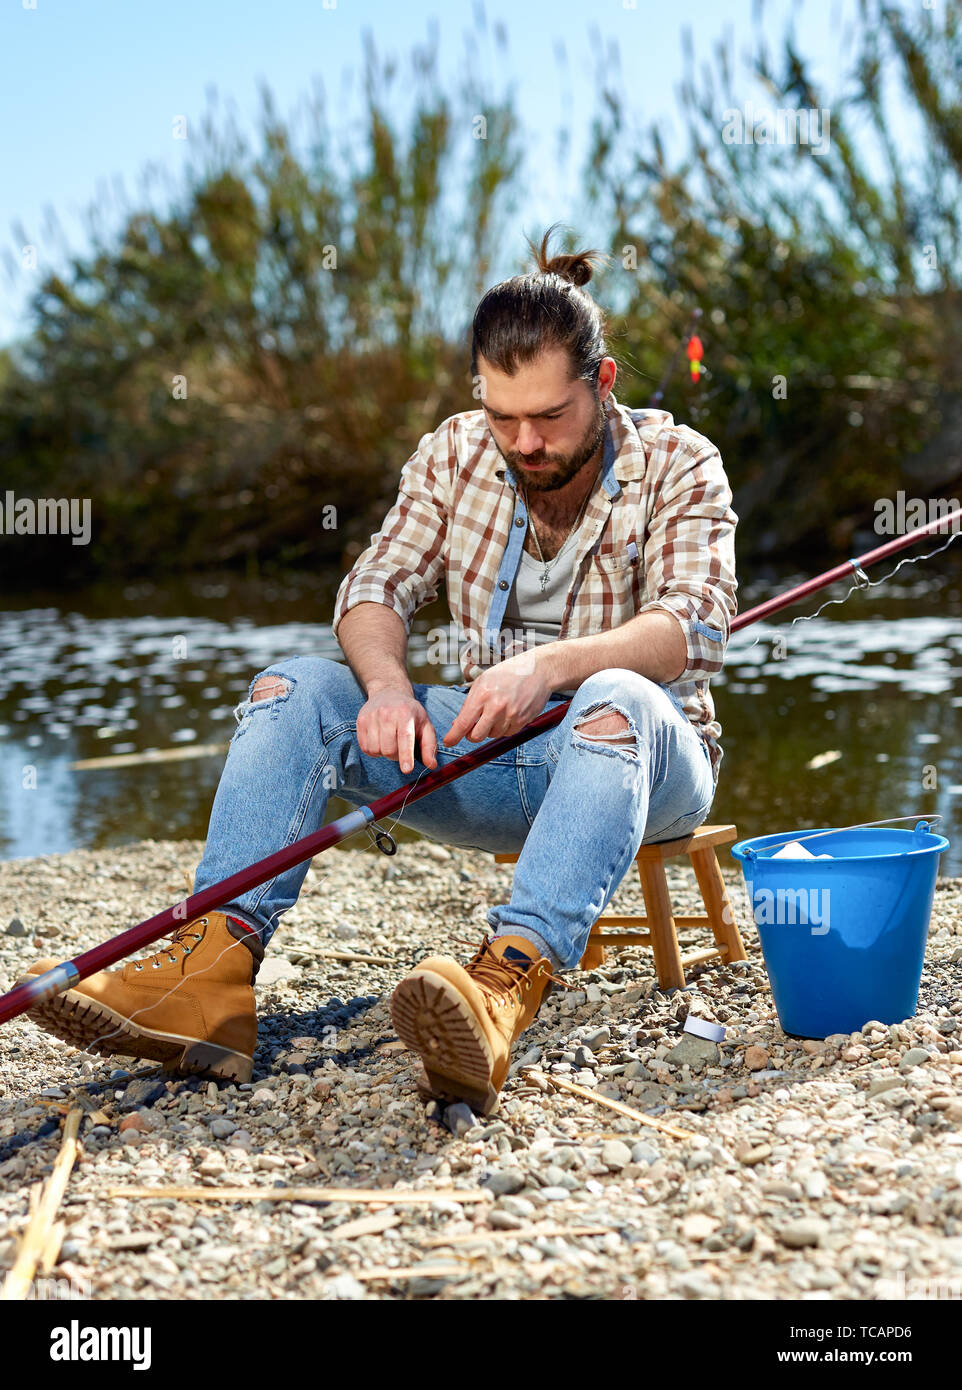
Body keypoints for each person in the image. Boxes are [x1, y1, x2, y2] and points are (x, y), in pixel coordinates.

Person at [23, 229, 737, 1116]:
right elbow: (373, 586)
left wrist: (554, 664)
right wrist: (391, 687)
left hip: (639, 760)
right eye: (501, 415)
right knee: (296, 689)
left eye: (549, 417)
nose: (525, 442)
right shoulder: (453, 452)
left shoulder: (682, 462)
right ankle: (209, 973)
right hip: (482, 753)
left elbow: (693, 629)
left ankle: (504, 986)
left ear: (604, 382)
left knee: (614, 695)